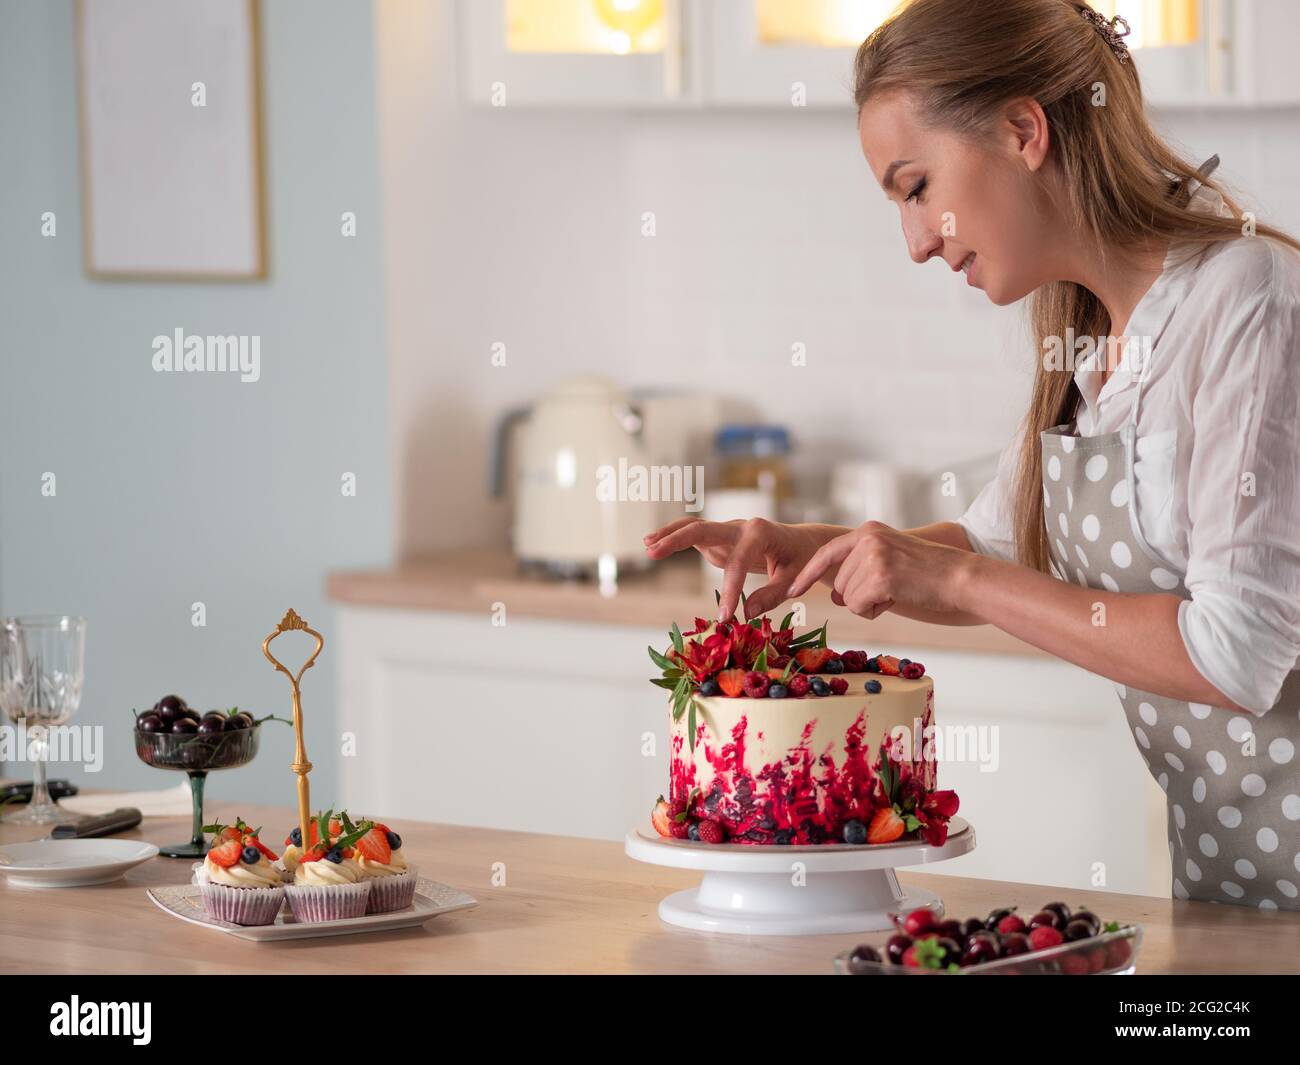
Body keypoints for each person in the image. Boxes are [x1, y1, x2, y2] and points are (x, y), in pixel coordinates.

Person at [644, 0, 1300, 911]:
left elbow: (1237, 653)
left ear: (1023, 129)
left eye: (916, 188)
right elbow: (995, 548)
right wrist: (819, 547)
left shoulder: (1245, 298)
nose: (915, 242)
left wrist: (949, 582)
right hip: (1233, 893)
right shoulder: (1088, 336)